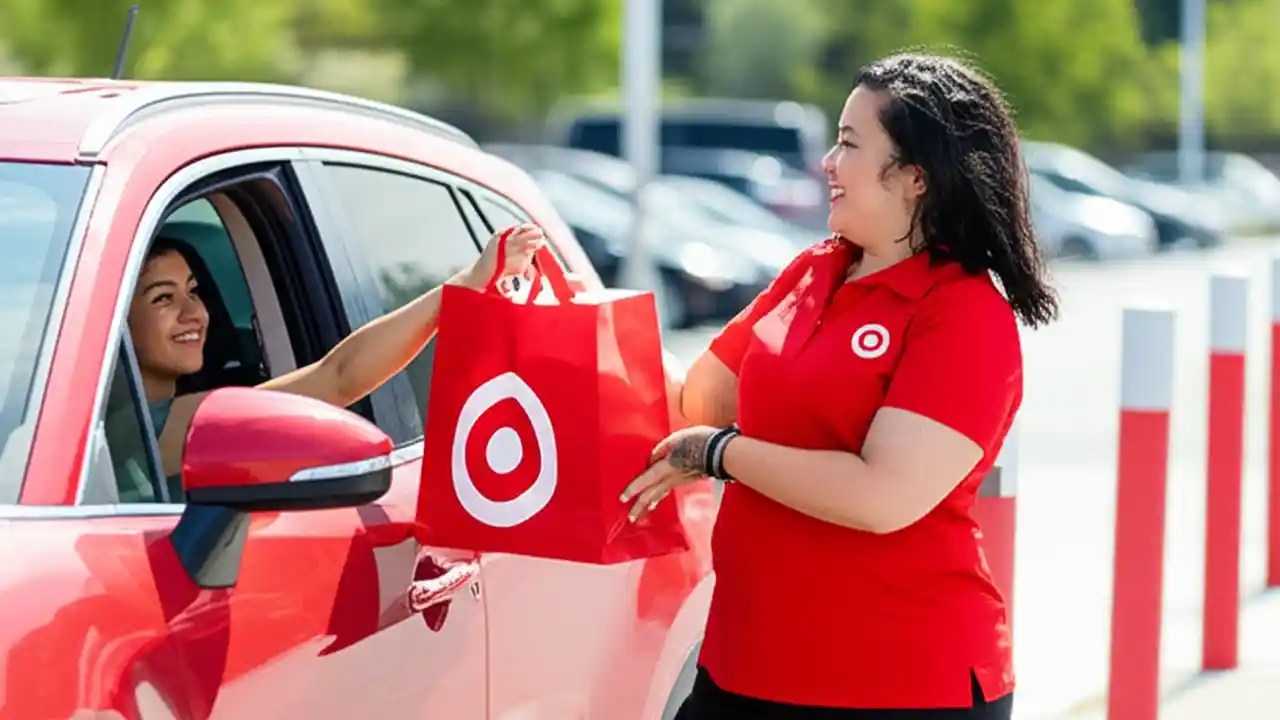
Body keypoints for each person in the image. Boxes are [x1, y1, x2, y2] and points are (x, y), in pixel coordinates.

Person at [622, 53, 1058, 719]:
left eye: (850, 144)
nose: (827, 162)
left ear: (916, 176)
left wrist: (718, 455)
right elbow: (697, 400)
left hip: (899, 685)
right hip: (746, 666)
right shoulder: (812, 272)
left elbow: (882, 495)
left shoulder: (964, 313)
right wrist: (571, 324)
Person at [124, 223, 546, 501]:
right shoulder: (134, 429)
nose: (193, 312)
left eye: (193, 291)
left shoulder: (148, 422)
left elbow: (337, 374)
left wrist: (466, 286)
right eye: (163, 298)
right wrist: (461, 288)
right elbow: (337, 377)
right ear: (118, 319)